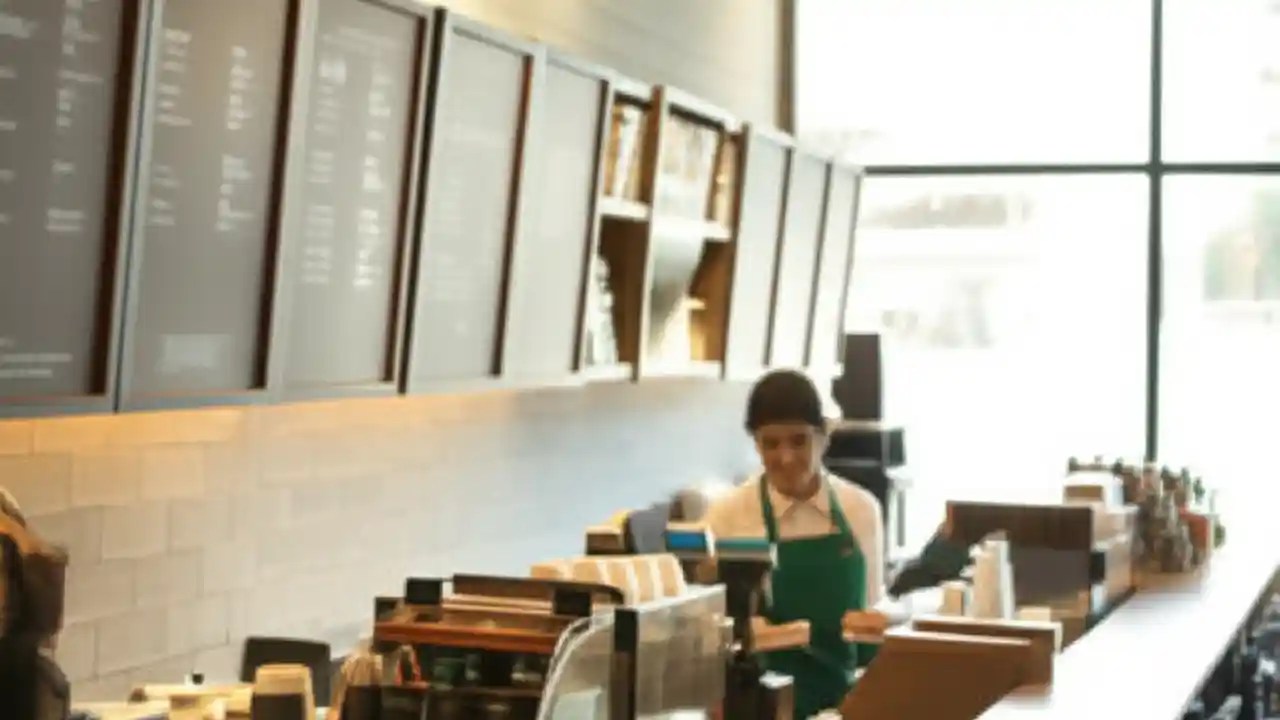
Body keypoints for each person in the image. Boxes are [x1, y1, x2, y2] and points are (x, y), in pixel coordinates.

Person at [703, 369, 890, 719]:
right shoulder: (728, 516)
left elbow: (870, 615)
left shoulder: (861, 511)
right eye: (770, 444)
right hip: (758, 707)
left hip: (844, 705)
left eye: (799, 440)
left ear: (824, 437)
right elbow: (710, 635)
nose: (785, 457)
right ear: (755, 444)